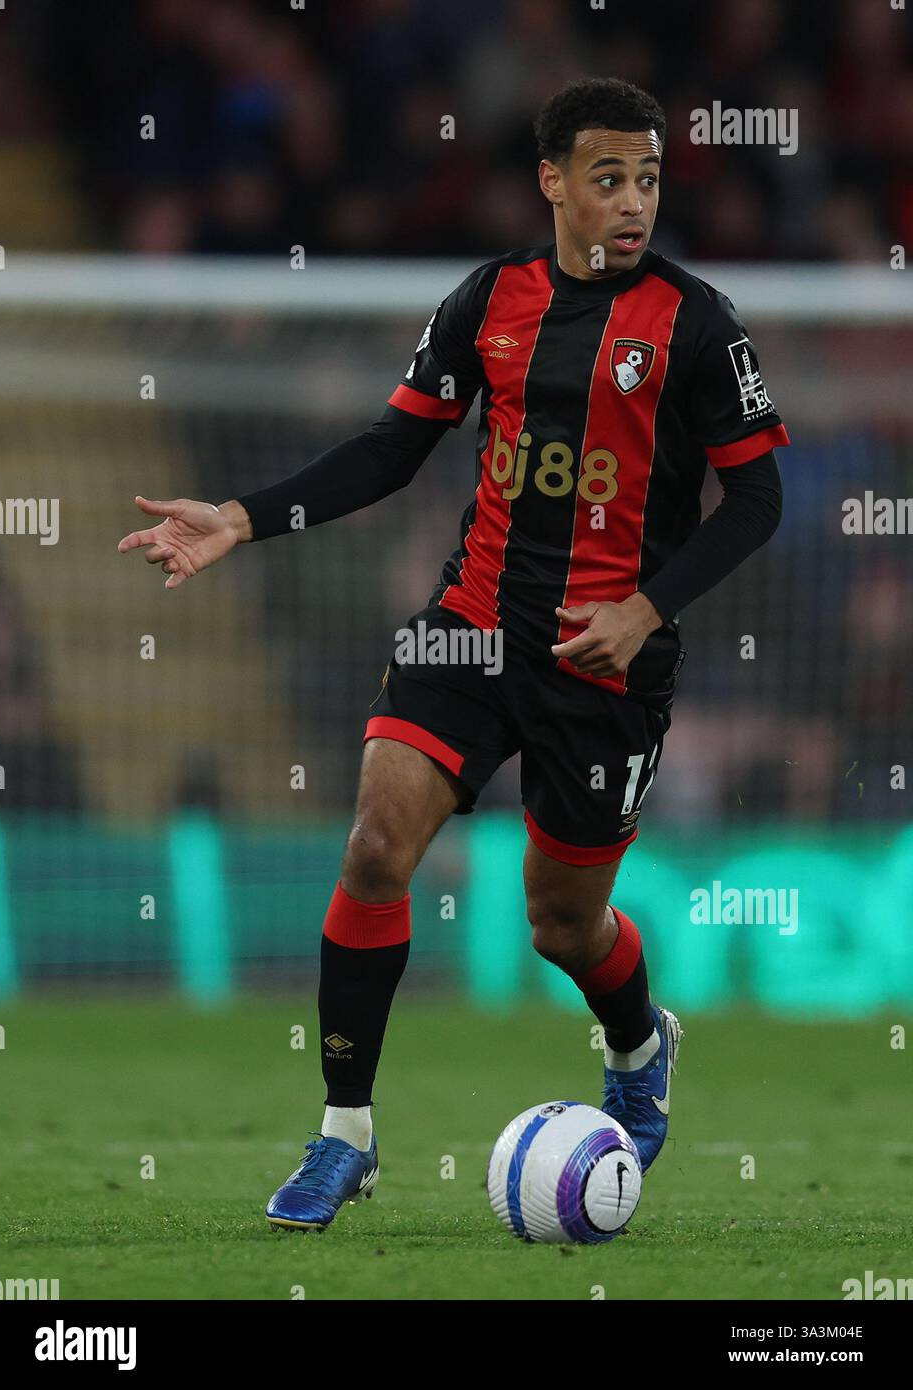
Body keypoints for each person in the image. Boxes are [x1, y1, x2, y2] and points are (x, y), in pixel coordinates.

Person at [119, 78, 789, 1232]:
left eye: (648, 179)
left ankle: (637, 1040)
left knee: (560, 924)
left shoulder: (697, 325)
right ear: (552, 182)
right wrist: (240, 515)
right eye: (607, 178)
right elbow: (391, 451)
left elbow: (758, 499)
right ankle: (344, 1137)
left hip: (604, 661)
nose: (632, 203)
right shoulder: (490, 301)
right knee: (377, 843)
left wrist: (645, 606)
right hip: (468, 625)